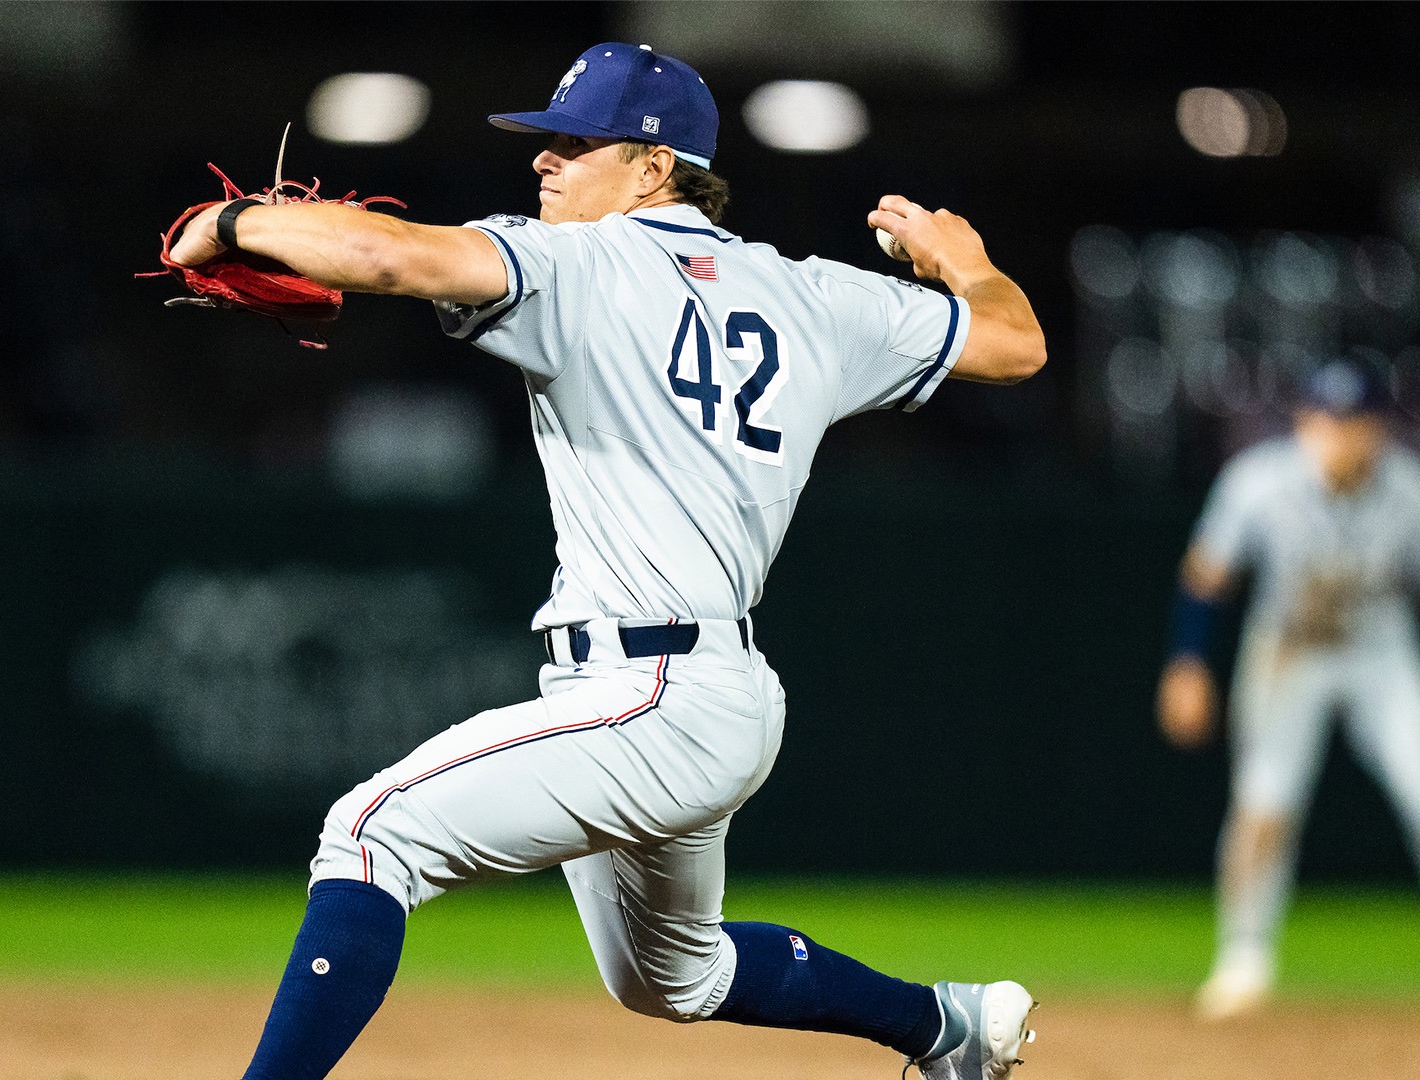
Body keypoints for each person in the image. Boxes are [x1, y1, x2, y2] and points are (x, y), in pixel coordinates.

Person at [166, 43, 1047, 1079]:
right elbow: (1016, 343)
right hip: (712, 694)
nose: (545, 161)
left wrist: (230, 222)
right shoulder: (815, 298)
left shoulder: (575, 265)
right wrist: (965, 264)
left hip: (652, 694)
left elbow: (390, 256)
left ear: (652, 167)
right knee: (674, 976)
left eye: (577, 144)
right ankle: (949, 1027)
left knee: (369, 835)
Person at [1157, 360, 1420, 1019]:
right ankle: (1244, 957)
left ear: (1379, 429)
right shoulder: (1258, 482)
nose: (1338, 435)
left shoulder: (1411, 488)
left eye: (1353, 422)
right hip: (1288, 651)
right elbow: (1206, 577)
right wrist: (1188, 662)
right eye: (1326, 420)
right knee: (1264, 802)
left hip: (1382, 652)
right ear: (1303, 422)